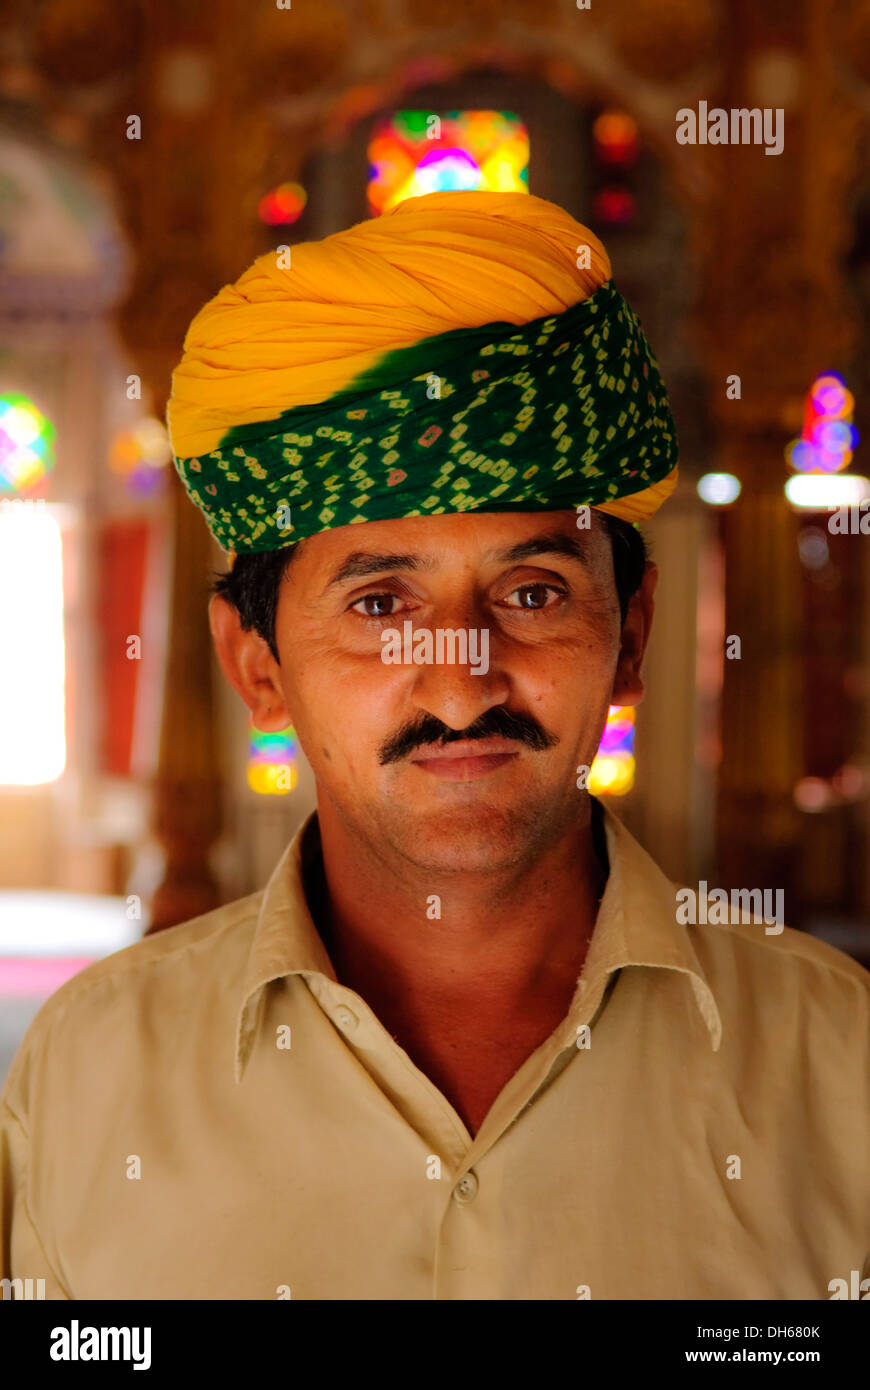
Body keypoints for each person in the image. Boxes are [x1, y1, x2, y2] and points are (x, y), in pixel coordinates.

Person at [1, 191, 867, 1301]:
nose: (463, 683)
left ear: (632, 634)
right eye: (378, 605)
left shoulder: (840, 1067)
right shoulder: (89, 1071)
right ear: (258, 663)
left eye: (533, 590)